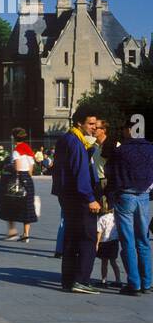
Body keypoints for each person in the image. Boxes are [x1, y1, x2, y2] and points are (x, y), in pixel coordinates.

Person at [51, 105, 102, 293]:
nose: (94, 128)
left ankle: (69, 279)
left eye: (96, 125)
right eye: (91, 124)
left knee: (71, 238)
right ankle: (81, 279)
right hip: (80, 198)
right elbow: (80, 173)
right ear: (79, 123)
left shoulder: (67, 139)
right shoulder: (76, 143)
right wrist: (90, 198)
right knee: (88, 238)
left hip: (67, 196)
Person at [104, 121, 153, 296]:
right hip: (144, 196)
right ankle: (147, 282)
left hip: (125, 195)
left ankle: (134, 283)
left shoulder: (121, 151)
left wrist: (109, 196)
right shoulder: (150, 149)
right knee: (143, 239)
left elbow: (111, 173)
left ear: (128, 130)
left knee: (128, 240)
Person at [0, 128, 39, 243]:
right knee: (28, 207)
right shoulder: (29, 150)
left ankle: (12, 231)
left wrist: (6, 166)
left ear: (14, 138)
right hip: (28, 180)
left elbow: (17, 167)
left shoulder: (16, 150)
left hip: (18, 179)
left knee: (9, 204)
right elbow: (31, 169)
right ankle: (26, 234)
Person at [95, 202, 122, 289]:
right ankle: (118, 280)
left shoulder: (101, 218)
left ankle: (104, 280)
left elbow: (99, 232)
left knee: (104, 262)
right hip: (114, 242)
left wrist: (97, 243)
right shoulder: (115, 217)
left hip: (104, 242)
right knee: (113, 262)